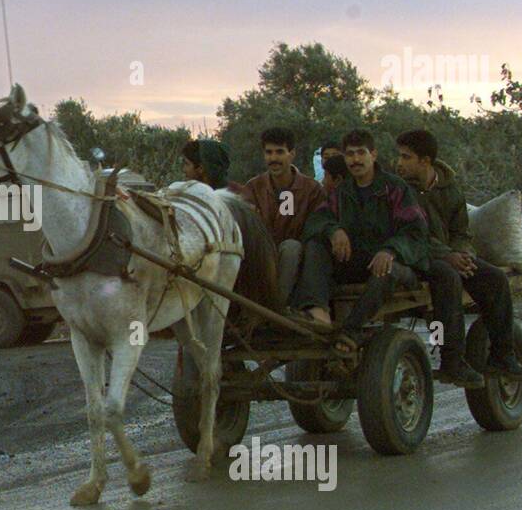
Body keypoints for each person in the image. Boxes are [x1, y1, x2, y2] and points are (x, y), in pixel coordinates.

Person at [395, 129, 522, 382]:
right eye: (399, 156)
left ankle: (503, 356)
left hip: (450, 256)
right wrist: (448, 256)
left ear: (425, 161)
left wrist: (462, 255)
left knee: (495, 279)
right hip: (415, 255)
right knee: (448, 279)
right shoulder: (399, 191)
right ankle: (452, 360)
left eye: (406, 157)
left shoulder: (450, 189)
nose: (399, 163)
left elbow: (461, 231)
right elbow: (412, 233)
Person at [292, 129, 430, 350]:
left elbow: (416, 231)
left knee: (386, 269)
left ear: (373, 154)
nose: (355, 160)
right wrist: (334, 230)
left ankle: (351, 331)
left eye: (360, 153)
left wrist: (390, 250)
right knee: (315, 244)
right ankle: (317, 311)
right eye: (349, 154)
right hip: (357, 261)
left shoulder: (395, 188)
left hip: (398, 264)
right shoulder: (342, 192)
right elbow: (316, 221)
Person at [240, 127, 325, 303]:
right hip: (261, 257)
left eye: (279, 152)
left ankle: (276, 308)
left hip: (298, 259)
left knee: (291, 248)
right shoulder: (253, 188)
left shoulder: (312, 189)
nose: (273, 158)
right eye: (269, 152)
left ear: (291, 154)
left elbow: (318, 226)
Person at [181, 138, 247, 194]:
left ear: (201, 168)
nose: (183, 170)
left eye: (187, 164)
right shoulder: (194, 193)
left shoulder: (232, 197)